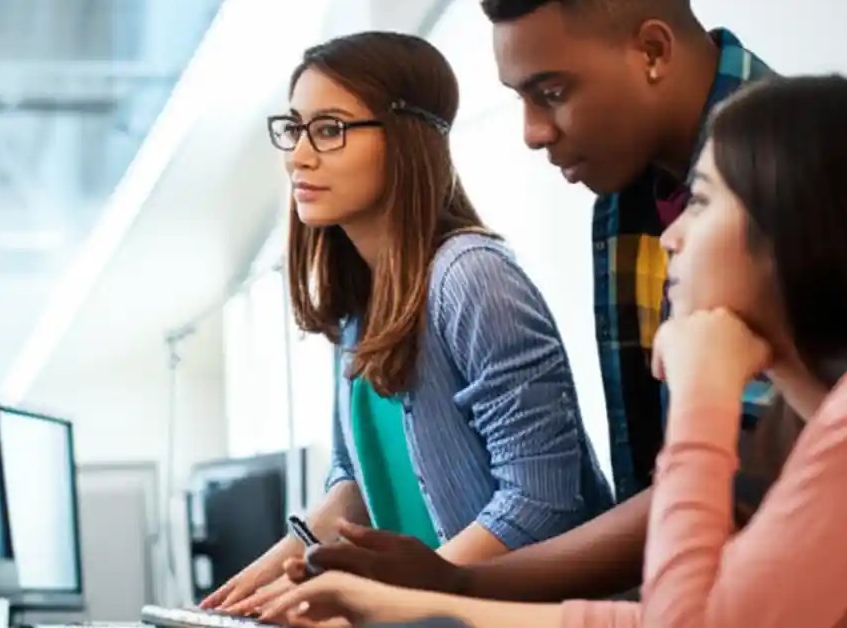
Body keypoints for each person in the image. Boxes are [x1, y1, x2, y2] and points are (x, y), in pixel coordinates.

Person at [261, 74, 847, 627]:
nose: (672, 236)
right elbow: (668, 616)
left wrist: (703, 396)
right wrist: (406, 607)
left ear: (796, 225)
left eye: (700, 203)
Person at [283, 0, 778, 601]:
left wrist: (446, 587)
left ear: (654, 52)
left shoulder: (785, 175)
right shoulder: (629, 197)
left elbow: (732, 481)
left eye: (552, 92)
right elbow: (668, 492)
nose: (533, 133)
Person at [201, 31, 613, 615]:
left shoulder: (471, 277)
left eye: (330, 129)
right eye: (294, 129)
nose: (298, 153)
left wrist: (394, 594)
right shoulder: (360, 302)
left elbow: (542, 500)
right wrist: (250, 590)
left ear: (405, 139)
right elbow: (353, 482)